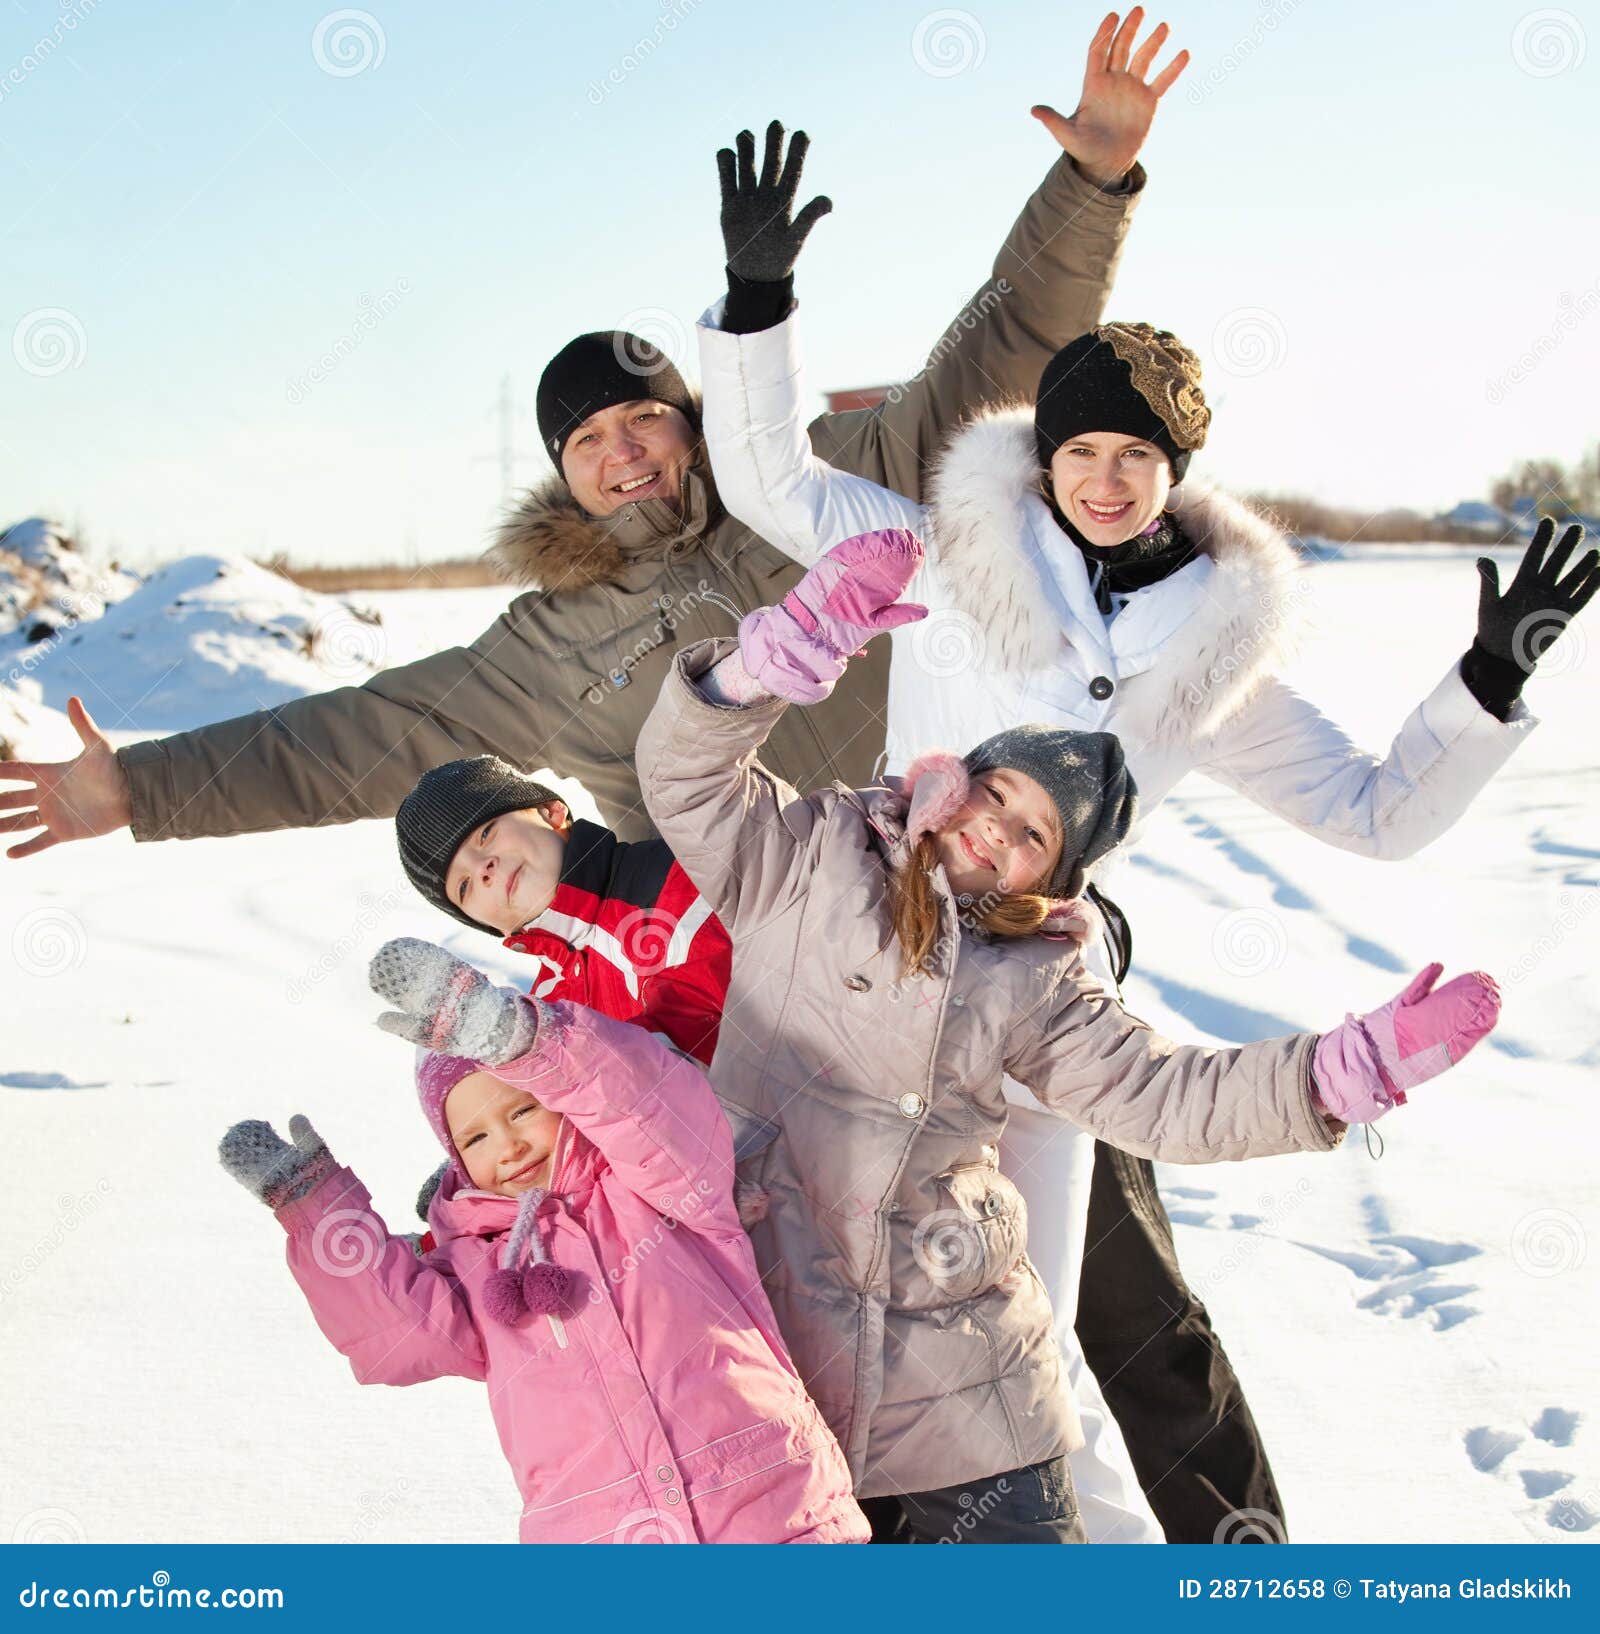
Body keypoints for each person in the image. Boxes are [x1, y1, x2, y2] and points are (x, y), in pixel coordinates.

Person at [690, 287, 1597, 1539]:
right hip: (873, 967)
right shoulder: (947, 549)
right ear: (1043, 454)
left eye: (1136, 455)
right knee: (808, 1302)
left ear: (1174, 469)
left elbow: (1378, 811)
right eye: (1082, 451)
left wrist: (1485, 681)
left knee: (1026, 1334)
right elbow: (763, 473)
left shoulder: (1211, 650)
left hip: (1033, 1006)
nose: (1106, 479)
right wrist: (754, 309)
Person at [0, 10, 1175, 859]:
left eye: (645, 416)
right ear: (562, 475)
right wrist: (141, 788)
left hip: (966, 877)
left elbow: (997, 348)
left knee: (1081, 1186)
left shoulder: (824, 480)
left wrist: (1087, 180)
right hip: (750, 979)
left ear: (691, 422)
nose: (624, 450)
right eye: (589, 439)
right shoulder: (546, 646)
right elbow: (343, 739)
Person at [627, 525, 1501, 1543]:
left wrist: (1344, 1071)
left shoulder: (1036, 978)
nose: (995, 827)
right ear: (952, 781)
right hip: (768, 1360)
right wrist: (764, 660)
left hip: (967, 1383)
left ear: (1050, 879)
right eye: (995, 793)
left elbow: (1168, 1097)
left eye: (1032, 832)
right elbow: (685, 779)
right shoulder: (812, 853)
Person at [217, 956, 870, 1545]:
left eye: (523, 1110)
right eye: (474, 1137)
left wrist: (521, 1038)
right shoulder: (476, 1263)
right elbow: (399, 1335)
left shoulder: (656, 1185)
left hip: (772, 1512)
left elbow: (647, 1102)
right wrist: (315, 1209)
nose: (507, 1145)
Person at [395, 754, 730, 1066]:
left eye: (486, 834)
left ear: (552, 814)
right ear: (487, 925)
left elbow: (698, 1048)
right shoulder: (544, 1008)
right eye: (464, 887)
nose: (483, 869)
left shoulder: (675, 878)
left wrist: (550, 1058)